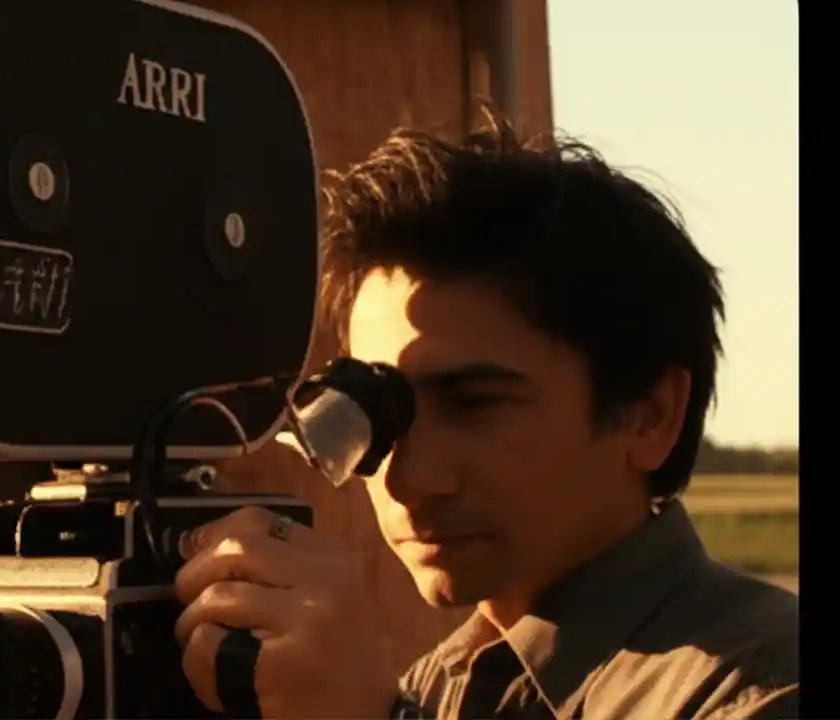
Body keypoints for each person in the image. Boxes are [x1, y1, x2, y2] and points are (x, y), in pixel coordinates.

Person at [172, 114, 799, 719]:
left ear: (649, 415)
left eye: (473, 404)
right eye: (379, 417)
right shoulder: (444, 685)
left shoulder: (762, 686)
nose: (409, 480)